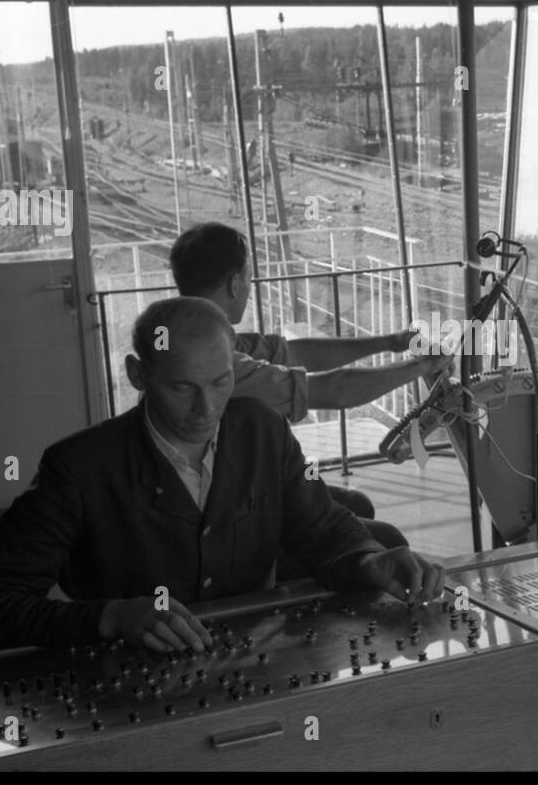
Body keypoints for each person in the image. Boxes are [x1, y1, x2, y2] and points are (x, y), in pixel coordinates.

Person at [0, 297, 445, 652]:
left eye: (222, 381)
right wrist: (111, 617)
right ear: (138, 375)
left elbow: (321, 526)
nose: (207, 409)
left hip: (255, 666)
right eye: (182, 388)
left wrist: (367, 561)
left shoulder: (262, 431)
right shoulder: (80, 469)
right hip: (131, 684)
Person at [168, 222, 448, 544]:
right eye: (248, 277)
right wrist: (423, 366)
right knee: (388, 541)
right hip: (230, 512)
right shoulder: (221, 362)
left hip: (236, 488)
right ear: (234, 284)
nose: (249, 285)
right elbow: (332, 391)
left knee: (356, 504)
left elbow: (294, 352)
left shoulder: (206, 335)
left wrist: (390, 342)